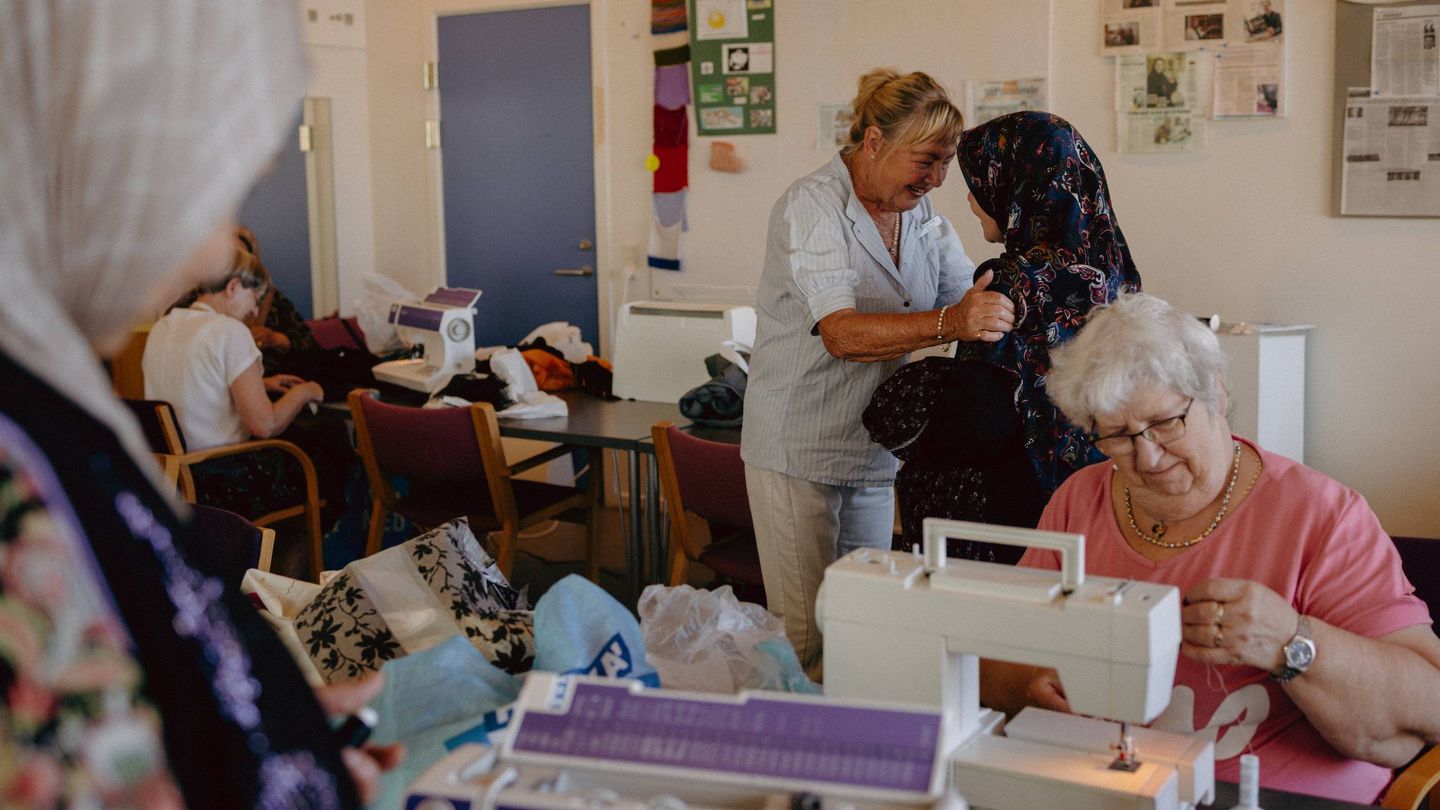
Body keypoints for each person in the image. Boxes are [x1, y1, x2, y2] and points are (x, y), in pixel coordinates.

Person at [0, 2, 400, 805]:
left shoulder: (58, 397)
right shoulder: (19, 464)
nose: (220, 250)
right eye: (214, 191)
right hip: (249, 468)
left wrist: (245, 722)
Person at [982, 293, 1440, 804]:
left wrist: (1291, 642)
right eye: (1118, 436)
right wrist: (1025, 686)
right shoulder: (1078, 501)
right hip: (1109, 788)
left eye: (1164, 423)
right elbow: (992, 653)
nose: (1149, 457)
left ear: (1216, 393)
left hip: (1270, 796)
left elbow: (1429, 705)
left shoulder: (1325, 518)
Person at [741, 68, 1015, 677]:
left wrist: (1027, 280)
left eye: (947, 163)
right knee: (805, 634)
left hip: (870, 450)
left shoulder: (921, 215)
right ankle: (794, 763)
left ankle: (851, 753)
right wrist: (952, 323)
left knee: (862, 623)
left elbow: (967, 294)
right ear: (872, 142)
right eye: (926, 159)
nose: (937, 178)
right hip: (797, 443)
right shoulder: (811, 207)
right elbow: (840, 332)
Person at [865, 112, 1141, 561]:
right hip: (1094, 498)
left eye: (979, 185)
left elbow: (976, 416)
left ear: (1016, 184)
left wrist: (907, 392)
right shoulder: (1115, 271)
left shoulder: (1012, 281)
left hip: (1004, 514)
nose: (973, 203)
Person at [145, 248, 325, 451]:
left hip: (173, 470)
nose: (254, 311)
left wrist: (261, 384)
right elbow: (266, 425)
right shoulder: (230, 331)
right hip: (223, 469)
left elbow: (194, 387)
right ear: (233, 287)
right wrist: (305, 391)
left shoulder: (163, 327)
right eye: (255, 299)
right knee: (326, 439)